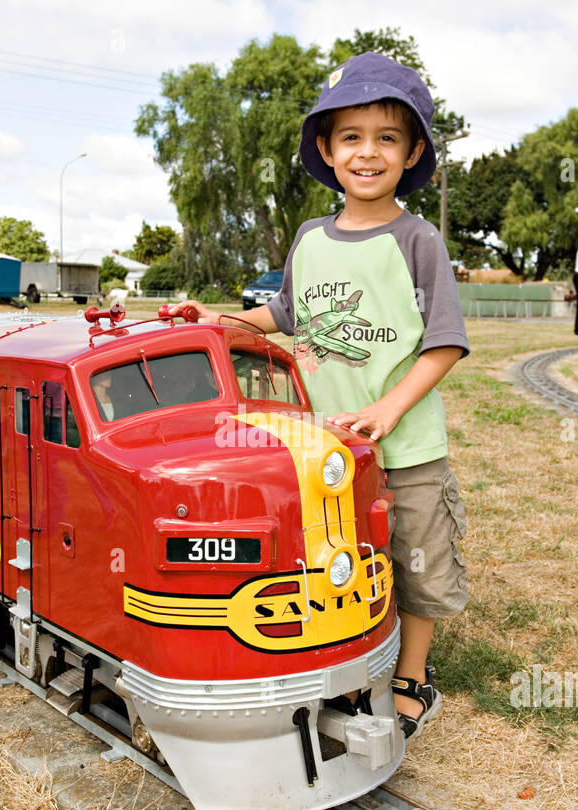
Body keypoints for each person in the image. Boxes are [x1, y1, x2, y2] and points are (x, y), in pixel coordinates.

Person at [172, 52, 470, 740]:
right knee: (337, 559)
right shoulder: (309, 237)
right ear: (328, 151)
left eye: (387, 138)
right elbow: (285, 312)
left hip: (407, 450)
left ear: (413, 151)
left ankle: (410, 675)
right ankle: (340, 660)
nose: (368, 152)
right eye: (352, 137)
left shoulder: (417, 239)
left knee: (415, 562)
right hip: (323, 452)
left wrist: (388, 410)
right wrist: (219, 321)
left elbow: (446, 340)